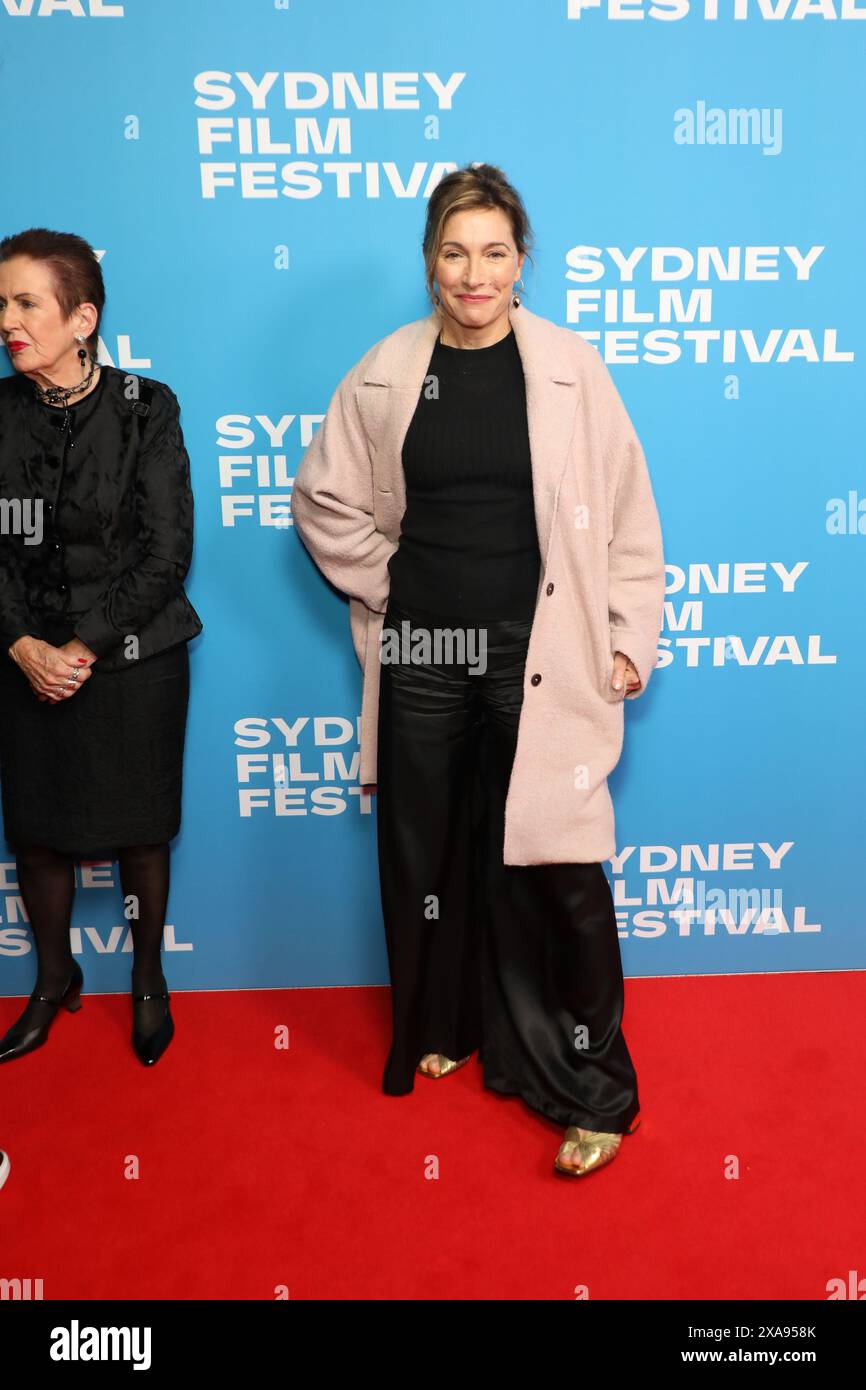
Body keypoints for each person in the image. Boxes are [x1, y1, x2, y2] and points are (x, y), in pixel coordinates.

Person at [292, 164, 665, 1177]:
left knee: (555, 869)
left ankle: (592, 1088)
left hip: (533, 652)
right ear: (428, 260)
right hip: (420, 649)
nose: (472, 272)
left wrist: (628, 633)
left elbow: (626, 510)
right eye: (453, 251)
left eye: (492, 252)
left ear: (519, 261)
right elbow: (321, 497)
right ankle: (449, 1026)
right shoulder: (384, 369)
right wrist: (387, 583)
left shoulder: (568, 368)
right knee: (427, 854)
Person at [0, 228, 202, 1067]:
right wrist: (21, 645)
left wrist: (78, 646)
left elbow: (167, 551)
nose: (7, 321)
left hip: (131, 660)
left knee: (139, 832)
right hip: (21, 661)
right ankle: (53, 979)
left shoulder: (146, 408)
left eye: (25, 303)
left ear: (81, 317)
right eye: (1, 305)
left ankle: (148, 980)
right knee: (39, 834)